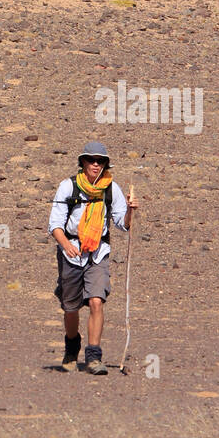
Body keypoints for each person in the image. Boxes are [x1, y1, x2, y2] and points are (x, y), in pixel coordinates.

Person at [48, 142, 138, 374]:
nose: (96, 165)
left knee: (97, 301)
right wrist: (66, 245)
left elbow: (122, 225)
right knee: (71, 308)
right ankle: (71, 346)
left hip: (98, 253)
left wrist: (130, 211)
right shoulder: (68, 186)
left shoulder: (111, 189)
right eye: (91, 160)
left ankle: (94, 356)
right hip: (72, 253)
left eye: (100, 161)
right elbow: (55, 224)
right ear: (83, 163)